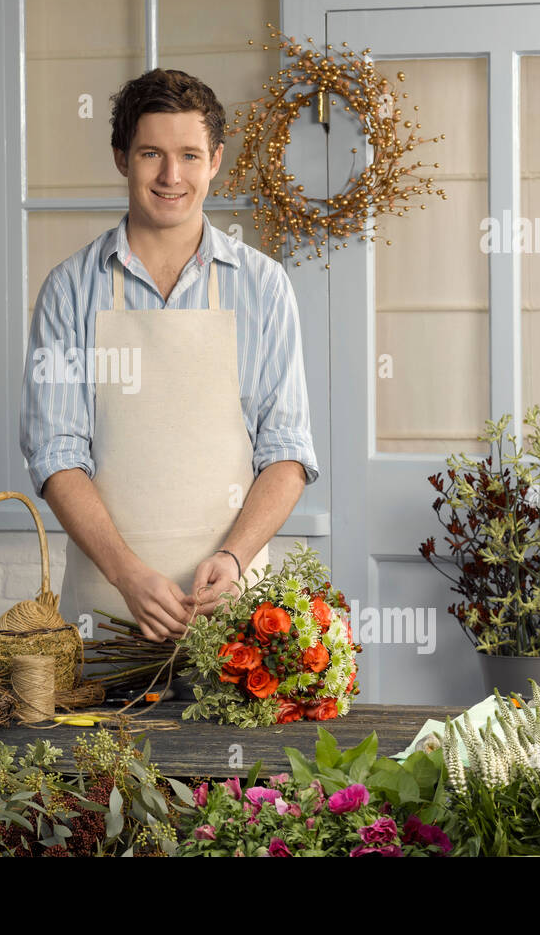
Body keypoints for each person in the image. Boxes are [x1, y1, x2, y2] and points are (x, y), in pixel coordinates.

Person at [19, 68, 319, 644]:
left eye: (188, 155)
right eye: (151, 153)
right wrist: (127, 574)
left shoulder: (264, 285)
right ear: (121, 158)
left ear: (215, 161)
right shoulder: (69, 289)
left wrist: (232, 560)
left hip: (234, 617)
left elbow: (286, 452)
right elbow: (55, 454)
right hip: (105, 615)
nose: (170, 176)